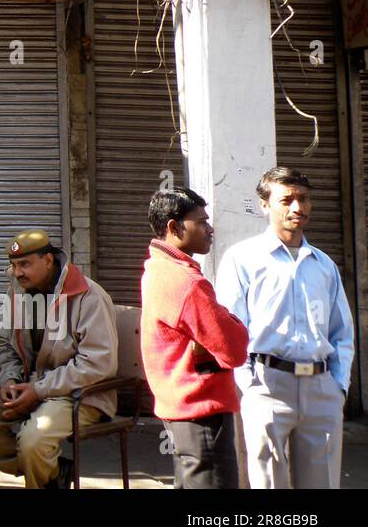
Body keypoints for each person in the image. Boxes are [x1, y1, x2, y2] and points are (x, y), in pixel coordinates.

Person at [215, 167, 354, 489]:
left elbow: (341, 331)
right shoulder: (243, 259)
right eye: (286, 200)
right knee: (268, 482)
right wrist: (248, 384)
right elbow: (231, 327)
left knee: (322, 482)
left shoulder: (323, 265)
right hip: (268, 384)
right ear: (264, 205)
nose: (297, 207)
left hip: (321, 387)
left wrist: (339, 385)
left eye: (303, 199)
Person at [0, 230, 118, 489]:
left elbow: (98, 363)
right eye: (13, 265)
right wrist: (10, 380)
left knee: (34, 440)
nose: (18, 272)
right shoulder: (18, 292)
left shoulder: (89, 295)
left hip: (79, 394)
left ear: (48, 260)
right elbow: (6, 345)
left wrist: (39, 390)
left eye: (25, 264)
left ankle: (41, 469)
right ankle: (52, 472)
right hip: (30, 387)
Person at [141, 188, 250, 488]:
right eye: (201, 222)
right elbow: (234, 349)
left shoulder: (157, 269)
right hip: (201, 413)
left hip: (182, 411)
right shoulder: (186, 283)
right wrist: (233, 320)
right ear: (174, 228)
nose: (210, 229)